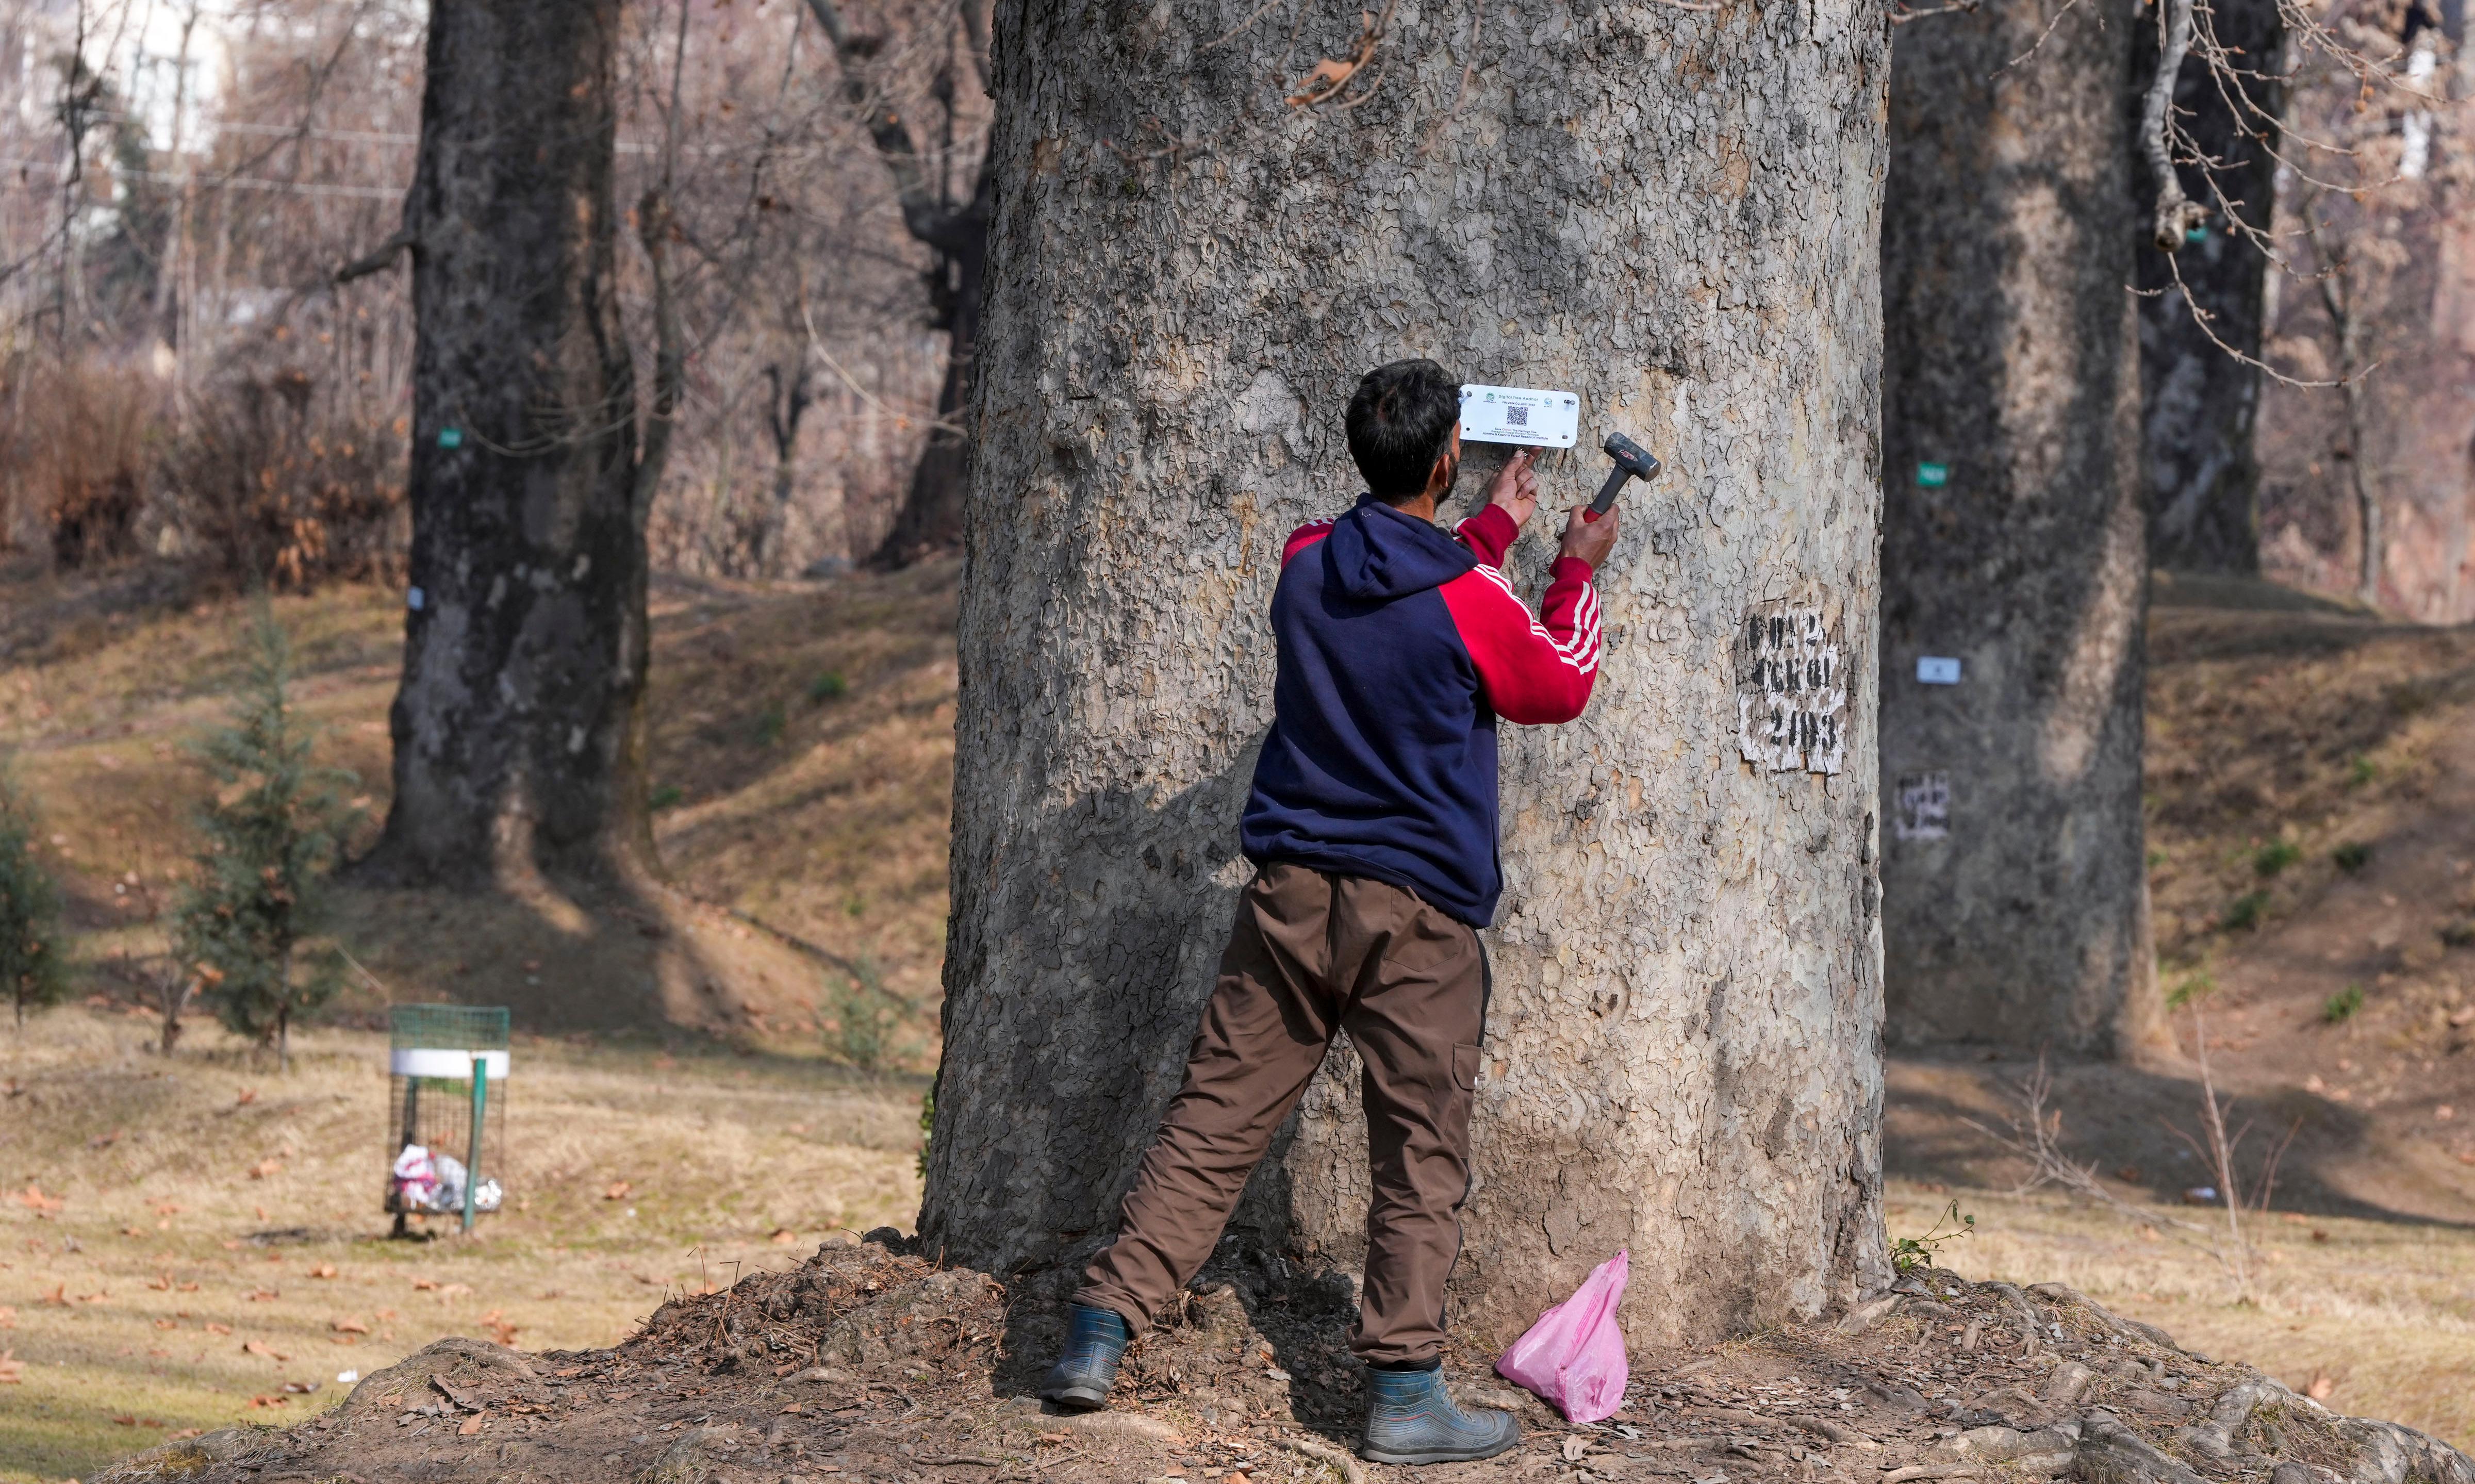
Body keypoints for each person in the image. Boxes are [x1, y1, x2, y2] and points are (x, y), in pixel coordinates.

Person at [1039, 358, 1619, 1464]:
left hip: (1290, 898)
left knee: (1214, 1121)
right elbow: (1554, 680)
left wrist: (1489, 530)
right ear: (1449, 458)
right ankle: (1404, 1394)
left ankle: (1096, 1332)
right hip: (1417, 919)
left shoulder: (1306, 564)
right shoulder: (1470, 597)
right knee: (1418, 1153)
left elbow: (1402, 598)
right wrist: (1573, 574)